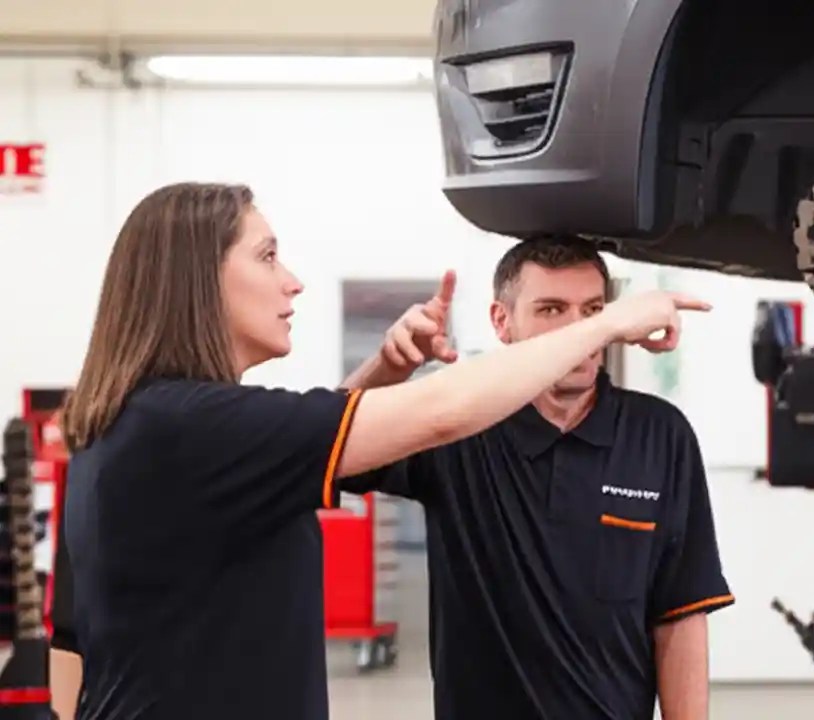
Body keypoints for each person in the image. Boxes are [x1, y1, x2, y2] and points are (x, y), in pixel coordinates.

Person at [45, 181, 710, 720]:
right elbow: (445, 410)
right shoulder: (187, 426)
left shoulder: (164, 427)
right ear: (195, 278)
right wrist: (617, 320)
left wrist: (384, 371)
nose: (294, 281)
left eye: (591, 310)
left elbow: (310, 451)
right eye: (268, 256)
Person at [343, 236, 734, 720]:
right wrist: (390, 365)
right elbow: (326, 449)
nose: (579, 332)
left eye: (592, 310)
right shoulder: (459, 424)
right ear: (502, 322)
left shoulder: (659, 434)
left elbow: (680, 611)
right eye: (551, 310)